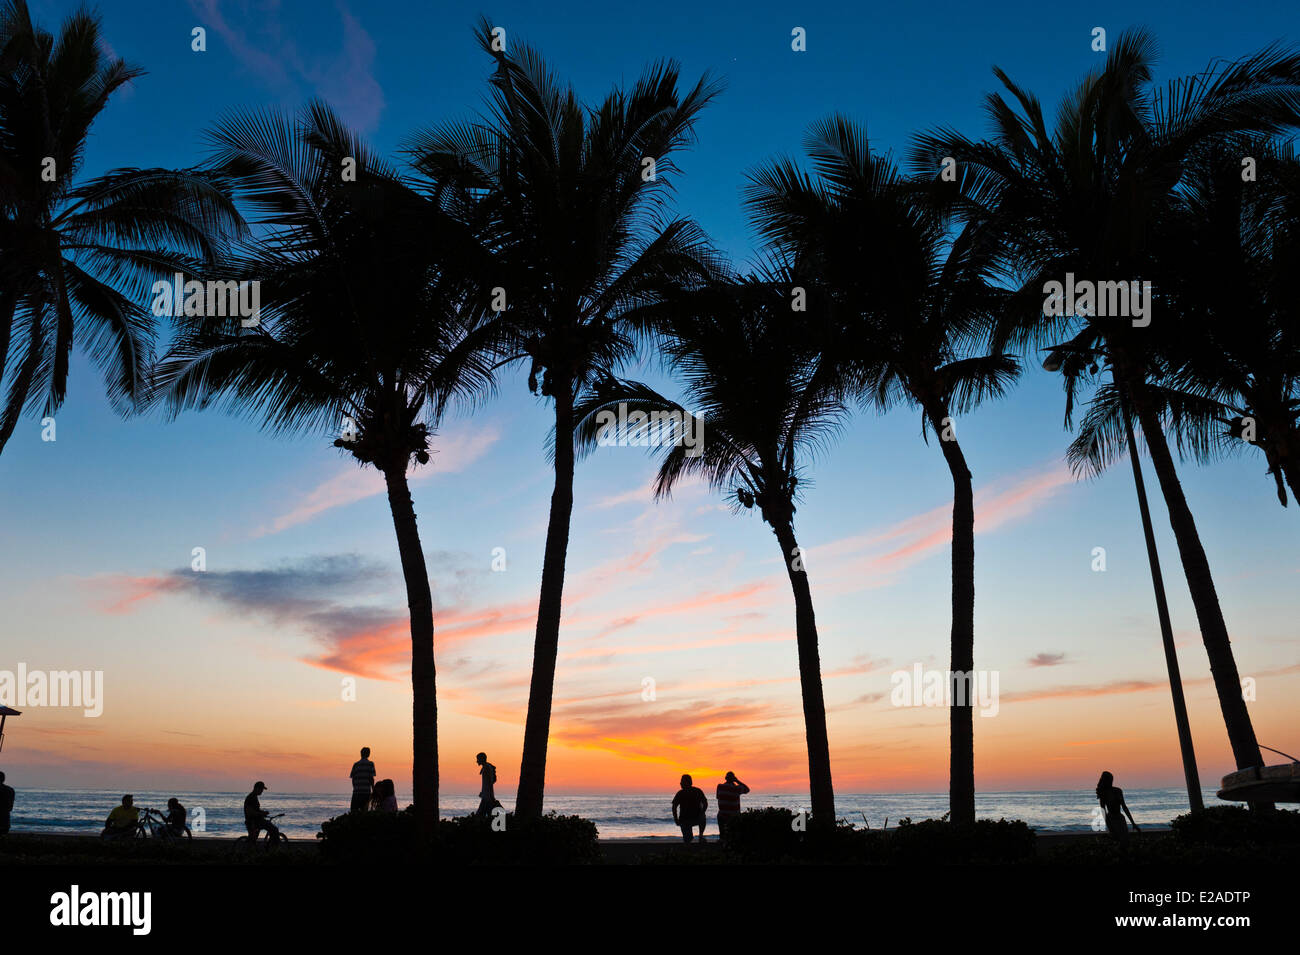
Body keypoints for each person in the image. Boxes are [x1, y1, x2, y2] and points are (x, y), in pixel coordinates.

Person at [1096, 771, 1139, 840]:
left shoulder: (1118, 791)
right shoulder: (1103, 793)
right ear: (1105, 781)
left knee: (1126, 840)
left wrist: (1133, 823)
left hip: (1120, 818)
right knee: (1117, 840)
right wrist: (1109, 826)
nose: (1111, 781)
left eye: (1112, 779)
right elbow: (1103, 811)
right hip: (1111, 820)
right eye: (1109, 780)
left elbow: (1124, 807)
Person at [672, 774, 709, 843]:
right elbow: (674, 807)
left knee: (703, 817)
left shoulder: (695, 791)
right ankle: (699, 836)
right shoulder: (681, 793)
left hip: (693, 818)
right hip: (685, 819)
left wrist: (702, 812)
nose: (680, 783)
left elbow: (705, 803)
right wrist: (676, 819)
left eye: (682, 782)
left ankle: (700, 835)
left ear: (687, 783)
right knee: (688, 839)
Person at [715, 771, 750, 838]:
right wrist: (737, 781)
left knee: (720, 816)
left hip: (722, 815)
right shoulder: (737, 788)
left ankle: (722, 837)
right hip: (734, 816)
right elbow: (747, 789)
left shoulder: (719, 787)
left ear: (725, 778)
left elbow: (718, 797)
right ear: (733, 779)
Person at [349, 747, 376, 813]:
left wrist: (355, 788)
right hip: (366, 792)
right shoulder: (370, 764)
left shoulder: (356, 765)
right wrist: (373, 790)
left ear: (361, 754)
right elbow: (371, 779)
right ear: (368, 754)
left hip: (356, 792)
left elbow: (353, 779)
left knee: (354, 812)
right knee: (364, 811)